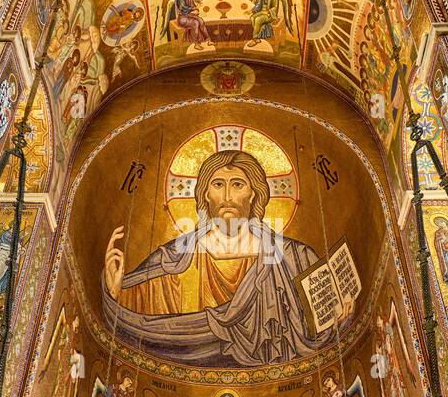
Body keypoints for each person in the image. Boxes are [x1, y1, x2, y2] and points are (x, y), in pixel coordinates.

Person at [102, 149, 347, 367]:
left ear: (254, 194)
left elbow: (320, 320)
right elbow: (139, 311)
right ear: (205, 195)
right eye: (218, 184)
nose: (228, 195)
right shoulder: (178, 257)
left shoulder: (295, 257)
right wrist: (116, 291)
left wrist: (339, 313)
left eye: (238, 184)